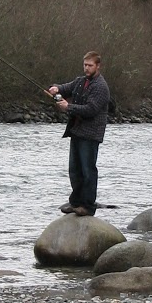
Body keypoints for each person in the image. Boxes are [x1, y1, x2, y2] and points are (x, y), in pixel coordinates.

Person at [48, 51, 110, 217]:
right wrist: (56, 89)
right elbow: (66, 87)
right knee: (74, 170)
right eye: (85, 65)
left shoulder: (101, 87)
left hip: (90, 135)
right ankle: (76, 202)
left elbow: (91, 109)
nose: (87, 68)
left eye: (90, 65)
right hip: (76, 132)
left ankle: (88, 206)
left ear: (98, 66)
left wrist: (68, 107)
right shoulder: (80, 81)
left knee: (88, 170)